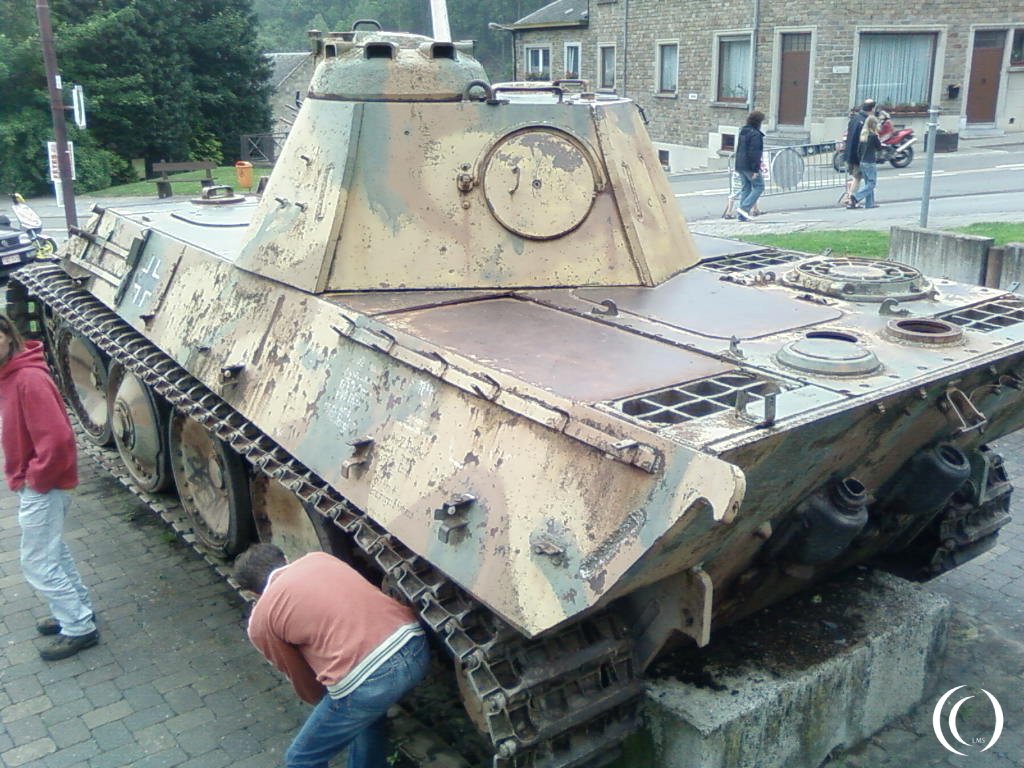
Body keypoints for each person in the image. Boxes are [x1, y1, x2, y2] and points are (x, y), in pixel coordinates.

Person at [237, 544, 430, 768]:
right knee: (367, 720)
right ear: (286, 558)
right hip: (415, 644)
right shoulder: (318, 558)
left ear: (252, 593)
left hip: (370, 682)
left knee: (301, 759)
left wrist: (325, 703)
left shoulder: (260, 622)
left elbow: (299, 675)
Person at [0, 313, 98, 661]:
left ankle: (78, 628)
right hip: (42, 482)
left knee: (37, 562)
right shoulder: (9, 375)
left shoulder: (26, 379)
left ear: (8, 336)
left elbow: (57, 439)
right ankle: (76, 610)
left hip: (45, 485)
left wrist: (35, 480)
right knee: (51, 550)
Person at [734, 110, 766, 221]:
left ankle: (742, 215)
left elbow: (739, 149)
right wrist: (755, 170)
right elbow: (755, 153)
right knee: (759, 186)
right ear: (759, 122)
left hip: (740, 164)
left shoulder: (743, 131)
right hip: (749, 166)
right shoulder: (756, 135)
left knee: (746, 188)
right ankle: (744, 208)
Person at [843, 98, 875, 200]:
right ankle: (852, 199)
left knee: (859, 178)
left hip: (850, 152)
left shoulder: (855, 118)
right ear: (872, 109)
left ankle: (865, 201)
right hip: (858, 155)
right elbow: (863, 140)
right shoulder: (865, 121)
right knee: (858, 178)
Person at [848, 114, 882, 209]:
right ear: (873, 125)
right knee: (872, 183)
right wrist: (878, 138)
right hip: (870, 162)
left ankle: (870, 203)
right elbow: (879, 148)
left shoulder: (863, 135)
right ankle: (856, 196)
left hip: (862, 162)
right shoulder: (873, 136)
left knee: (868, 183)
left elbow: (859, 150)